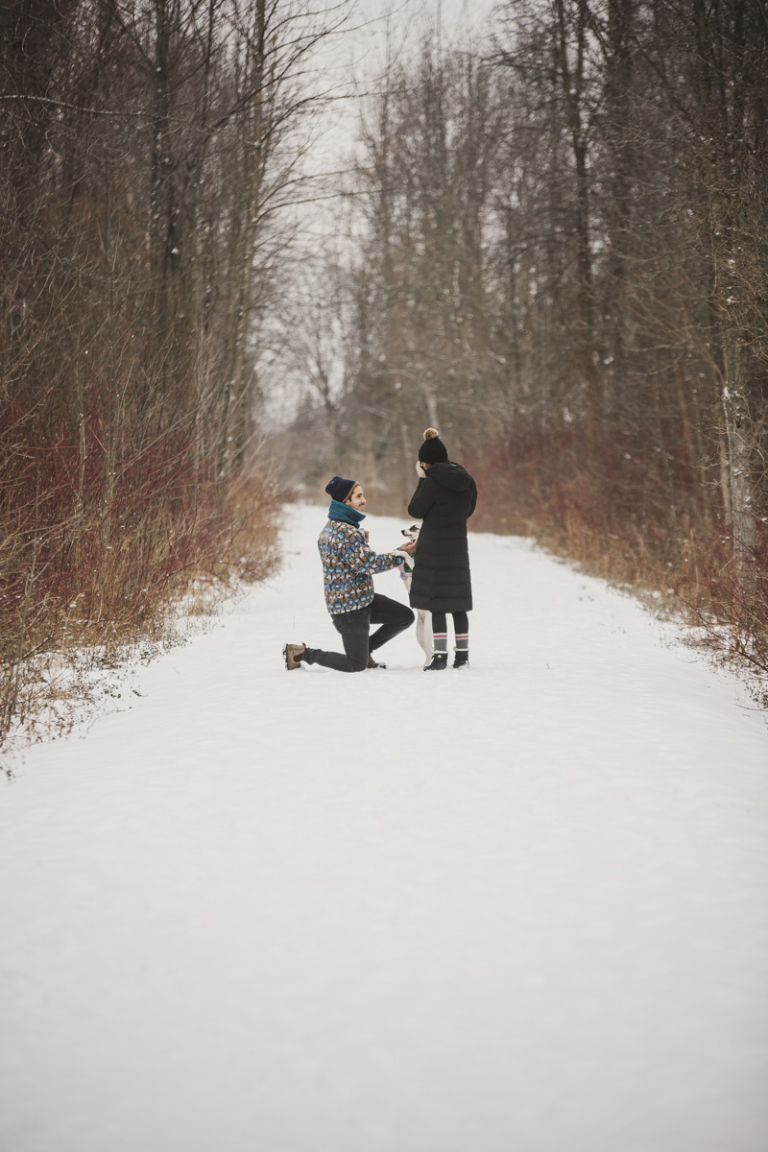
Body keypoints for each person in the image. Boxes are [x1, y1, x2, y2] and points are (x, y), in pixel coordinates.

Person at [283, 476, 416, 673]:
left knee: (404, 617)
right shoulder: (347, 533)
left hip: (363, 600)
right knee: (356, 665)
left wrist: (374, 546)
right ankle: (301, 653)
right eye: (359, 496)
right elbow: (369, 564)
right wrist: (400, 555)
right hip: (349, 611)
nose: (364, 500)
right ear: (345, 502)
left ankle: (365, 650)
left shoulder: (332, 528)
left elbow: (353, 563)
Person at [407, 428, 477, 670]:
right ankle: (462, 657)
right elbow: (468, 510)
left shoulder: (432, 482)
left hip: (434, 550)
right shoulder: (466, 479)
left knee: (437, 604)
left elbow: (415, 510)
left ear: (426, 462)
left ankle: (440, 657)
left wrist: (422, 480)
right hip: (457, 549)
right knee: (458, 604)